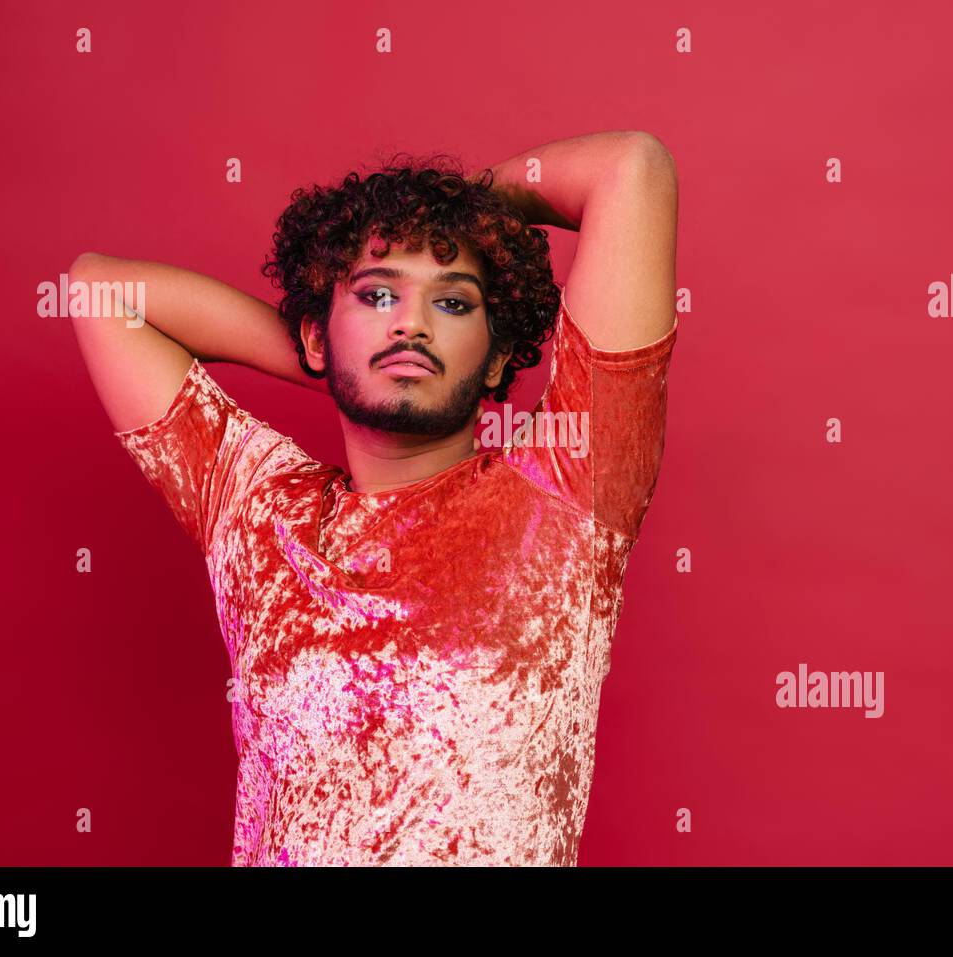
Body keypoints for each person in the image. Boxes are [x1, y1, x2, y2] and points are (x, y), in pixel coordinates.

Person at [69, 130, 680, 865]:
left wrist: (458, 207)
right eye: (378, 294)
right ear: (319, 335)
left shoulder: (568, 490)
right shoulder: (259, 510)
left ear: (494, 365)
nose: (411, 322)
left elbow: (632, 168)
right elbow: (97, 291)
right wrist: (331, 359)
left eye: (453, 303)